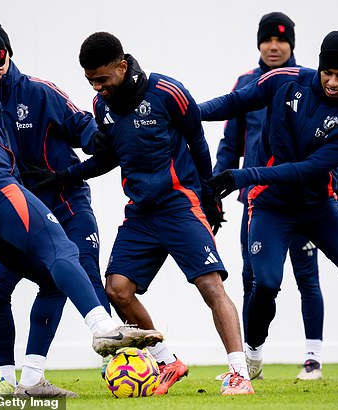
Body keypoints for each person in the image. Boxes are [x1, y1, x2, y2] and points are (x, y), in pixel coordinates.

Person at [0, 15, 163, 391]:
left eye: (0, 59)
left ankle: (21, 380)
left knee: (51, 280)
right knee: (58, 254)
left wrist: (107, 138)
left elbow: (84, 130)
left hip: (16, 208)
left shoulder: (17, 92)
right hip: (3, 198)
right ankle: (104, 329)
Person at [201, 28, 338, 392]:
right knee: (265, 284)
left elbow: (305, 170)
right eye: (328, 72)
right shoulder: (282, 80)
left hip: (317, 206)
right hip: (270, 205)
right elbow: (234, 103)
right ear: (320, 66)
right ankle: (253, 358)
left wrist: (242, 175)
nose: (332, 81)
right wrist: (187, 113)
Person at [71, 32, 253, 396]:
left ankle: (239, 374)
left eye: (102, 78)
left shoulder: (168, 91)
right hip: (139, 213)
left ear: (122, 66)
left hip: (179, 204)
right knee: (117, 290)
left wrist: (209, 196)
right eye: (90, 80)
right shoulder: (100, 105)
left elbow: (198, 143)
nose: (97, 87)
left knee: (210, 286)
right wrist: (64, 176)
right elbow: (108, 158)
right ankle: (167, 361)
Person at [0, 22, 111, 398]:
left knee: (75, 275)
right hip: (17, 215)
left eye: (1, 55)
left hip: (67, 206)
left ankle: (39, 375)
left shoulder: (38, 91)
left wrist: (98, 139)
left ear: (9, 53)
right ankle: (6, 379)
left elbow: (84, 127)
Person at [211, 11, 338, 381]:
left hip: (305, 197)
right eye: (267, 39)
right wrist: (215, 190)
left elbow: (334, 142)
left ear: (291, 44)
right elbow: (231, 142)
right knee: (251, 278)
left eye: (281, 40)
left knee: (307, 276)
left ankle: (312, 360)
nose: (274, 46)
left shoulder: (311, 82)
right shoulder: (246, 82)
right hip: (256, 198)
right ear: (259, 43)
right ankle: (245, 364)